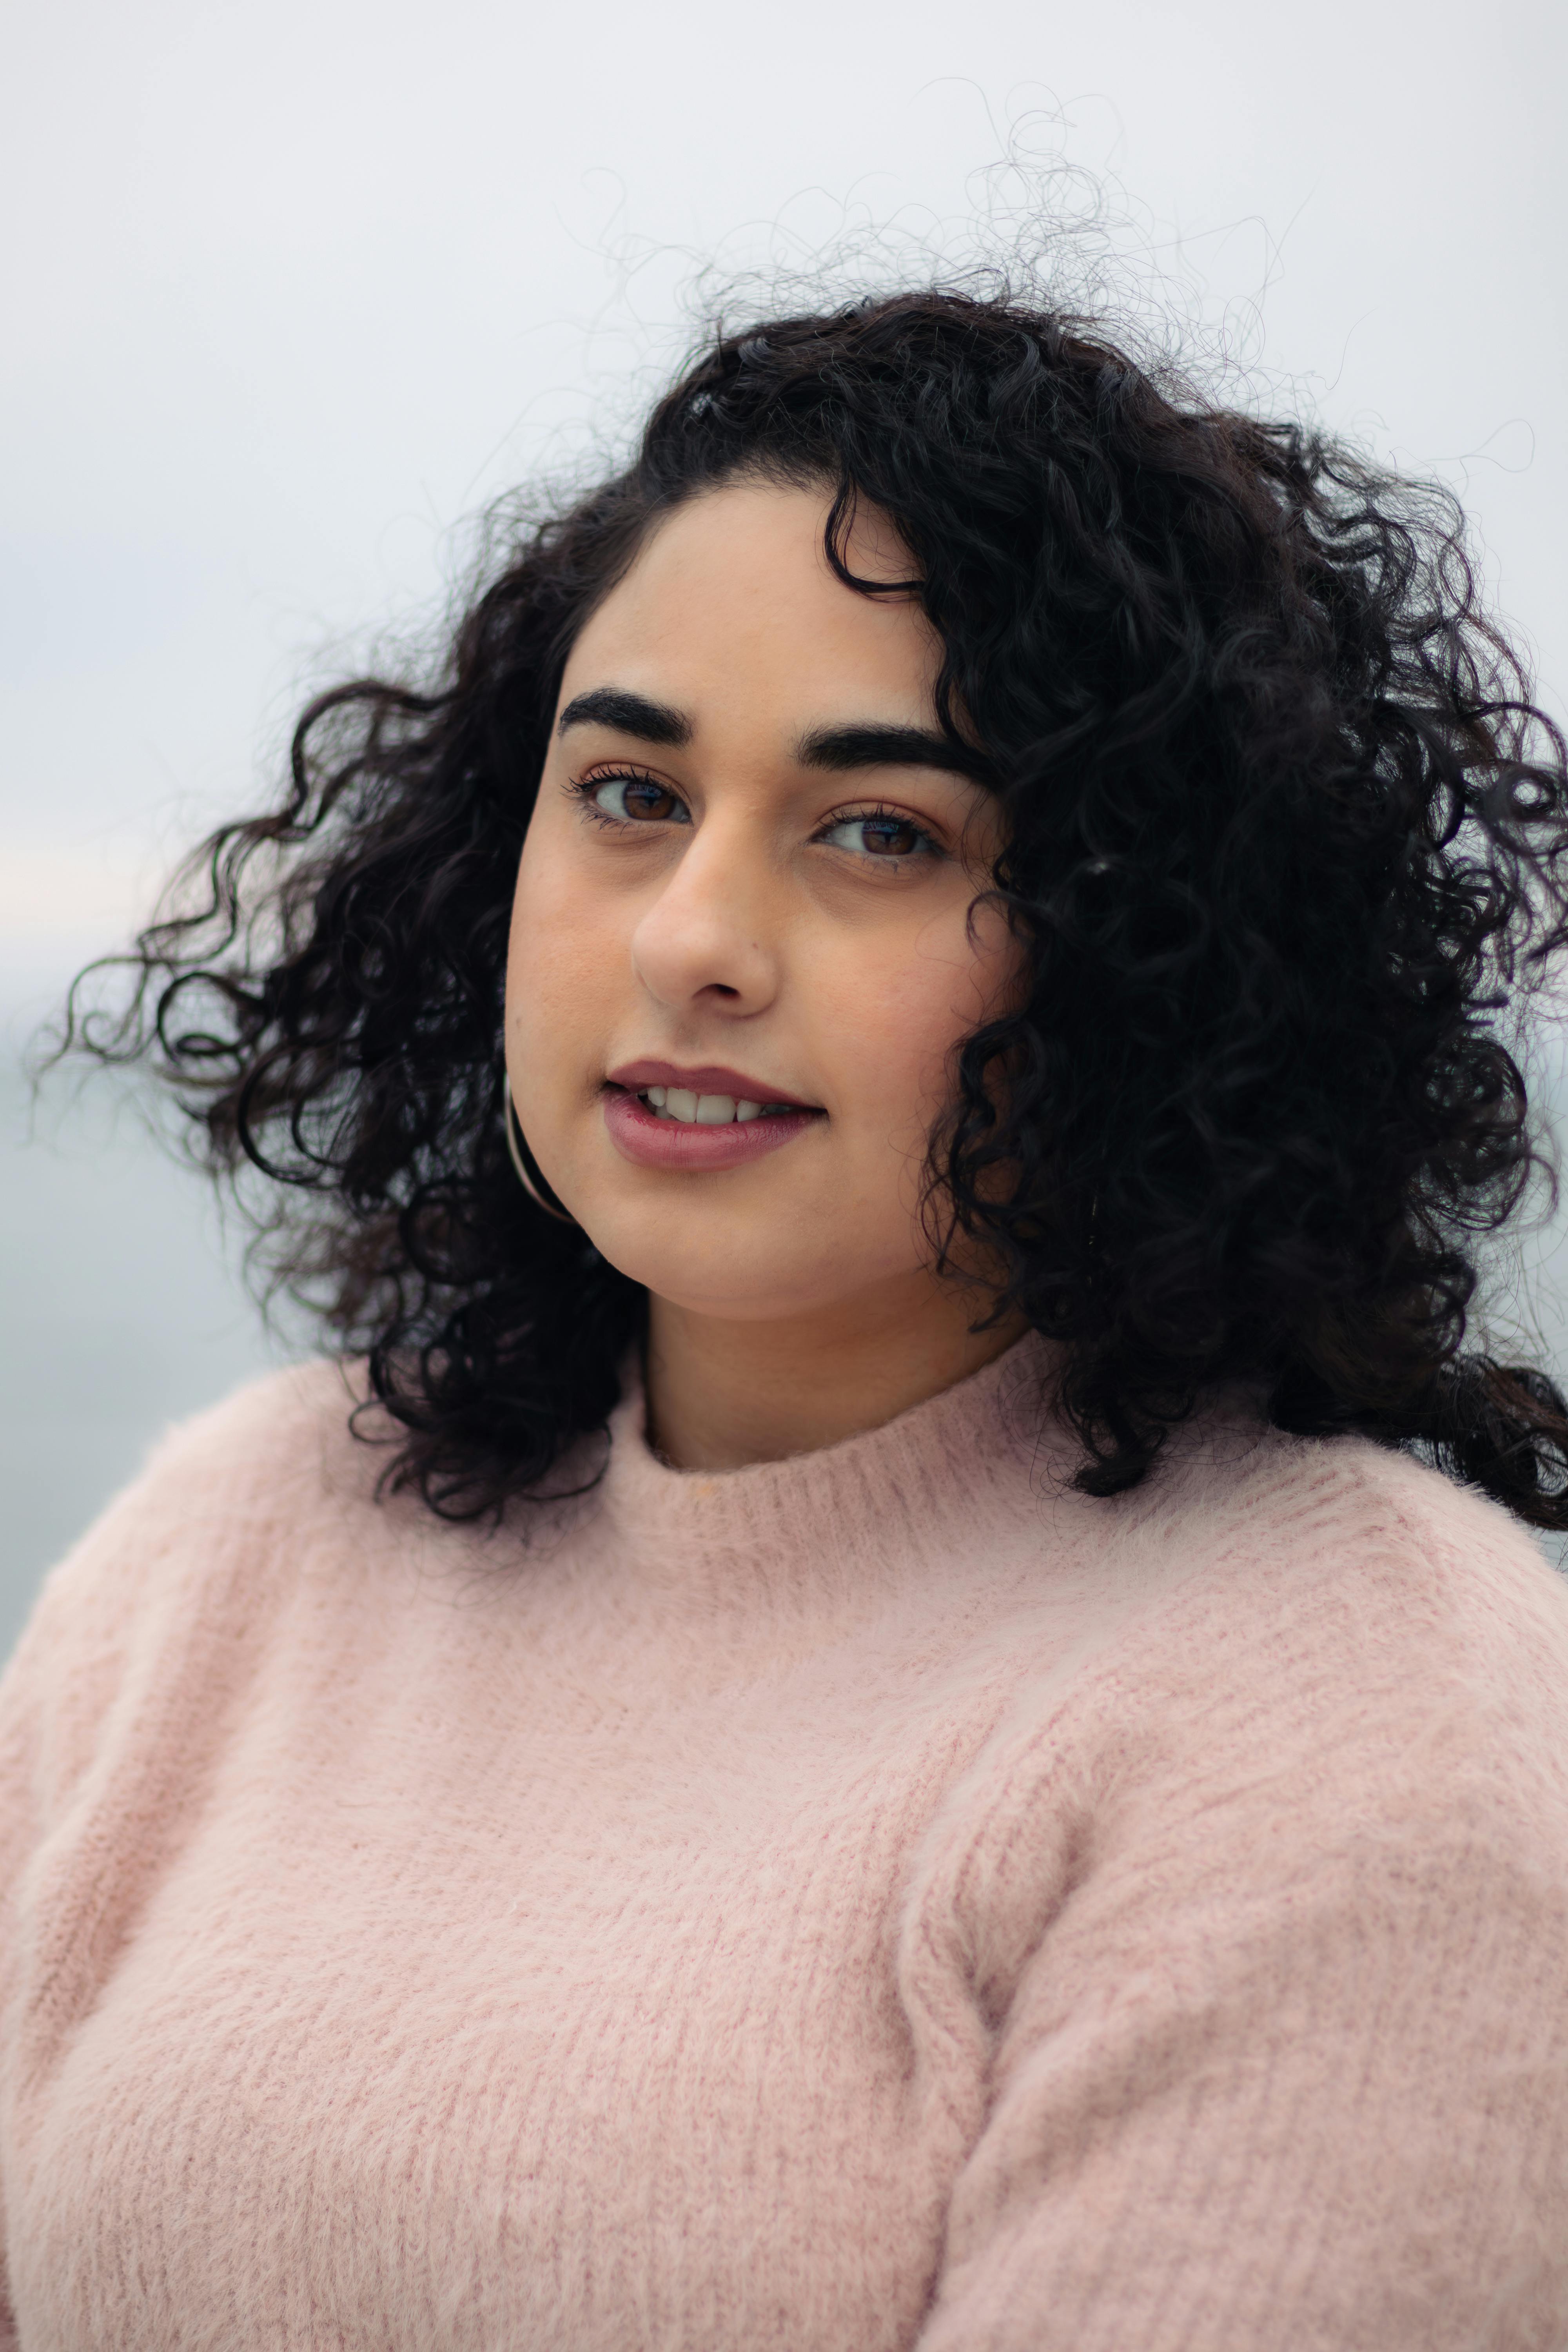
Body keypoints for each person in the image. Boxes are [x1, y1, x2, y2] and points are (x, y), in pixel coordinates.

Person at [11, 287, 1568, 2348]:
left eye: (877, 832)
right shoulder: (239, 1548)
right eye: (631, 795)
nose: (694, 941)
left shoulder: (1372, 1731)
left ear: (1152, 951)